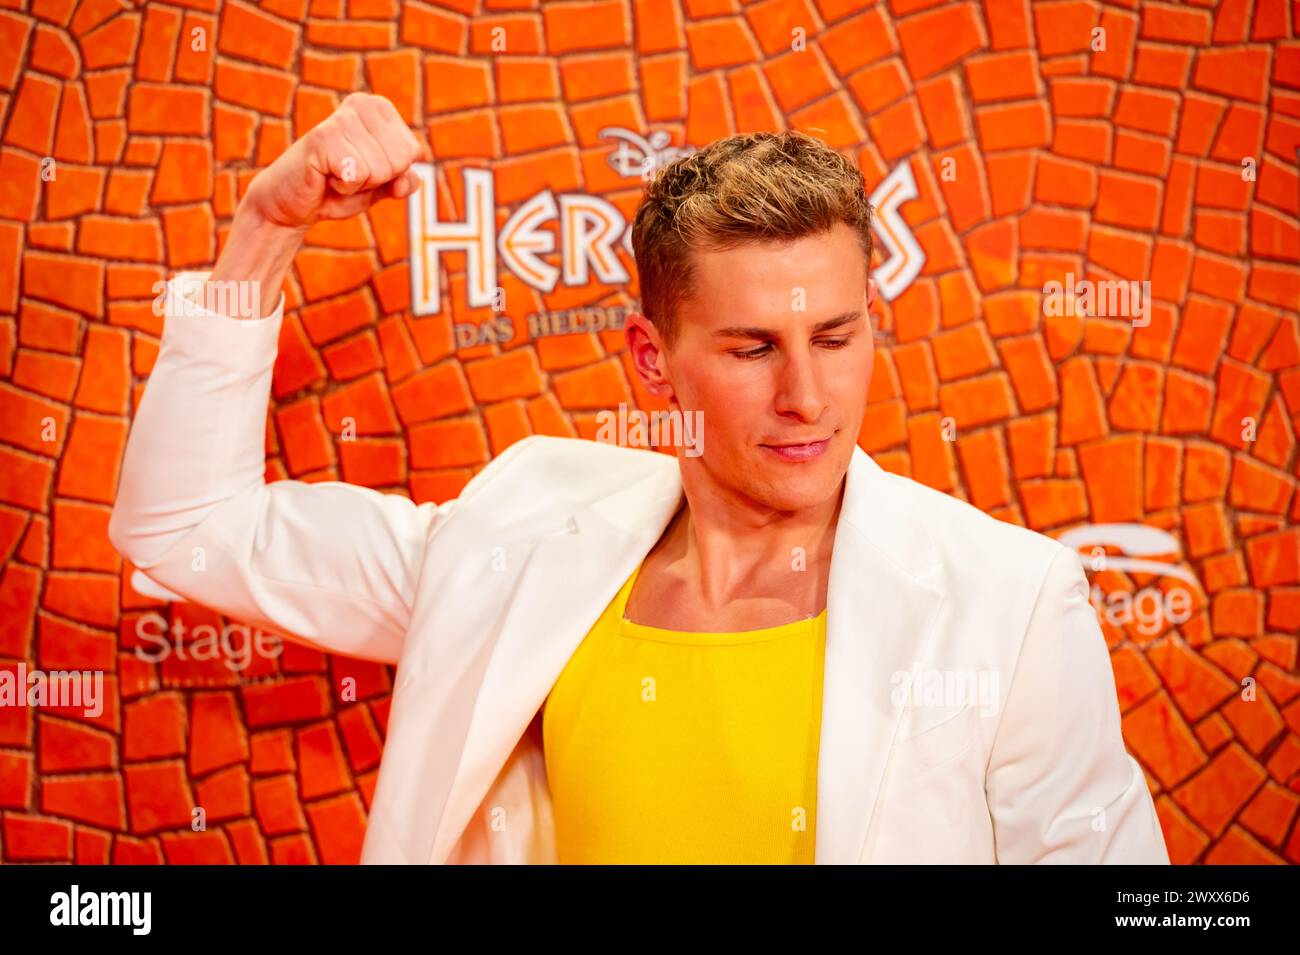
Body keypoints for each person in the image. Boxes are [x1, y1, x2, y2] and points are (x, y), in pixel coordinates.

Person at [109, 93, 1170, 865]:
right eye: (752, 348)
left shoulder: (1006, 600)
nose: (808, 396)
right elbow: (187, 526)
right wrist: (265, 232)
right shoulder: (519, 537)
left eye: (837, 337)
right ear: (650, 360)